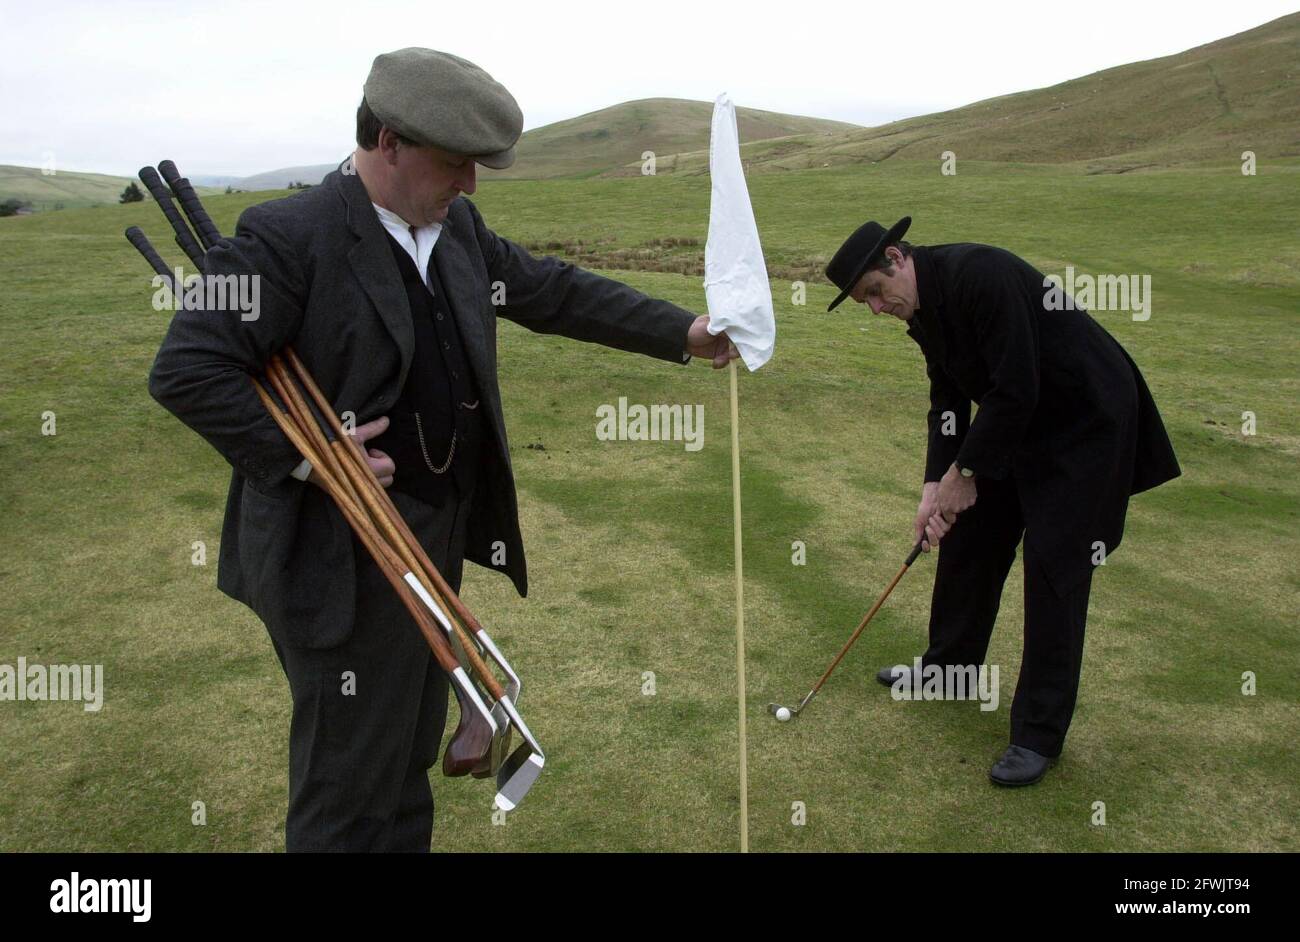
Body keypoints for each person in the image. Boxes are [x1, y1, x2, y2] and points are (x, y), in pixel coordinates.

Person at [148, 47, 735, 850]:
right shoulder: (287, 238)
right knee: (348, 789)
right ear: (388, 143)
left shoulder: (456, 227)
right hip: (344, 554)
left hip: (432, 535)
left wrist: (686, 334)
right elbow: (187, 367)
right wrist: (317, 453)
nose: (469, 184)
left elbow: (551, 290)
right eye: (456, 163)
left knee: (403, 768)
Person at [824, 216, 1180, 786]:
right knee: (969, 536)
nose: (875, 308)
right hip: (1018, 423)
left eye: (873, 292)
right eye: (865, 300)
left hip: (1084, 425)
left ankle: (1038, 735)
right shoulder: (922, 310)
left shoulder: (980, 274)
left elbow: (1017, 385)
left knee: (1054, 566)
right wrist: (932, 489)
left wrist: (963, 474)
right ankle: (952, 670)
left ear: (896, 257)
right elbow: (948, 398)